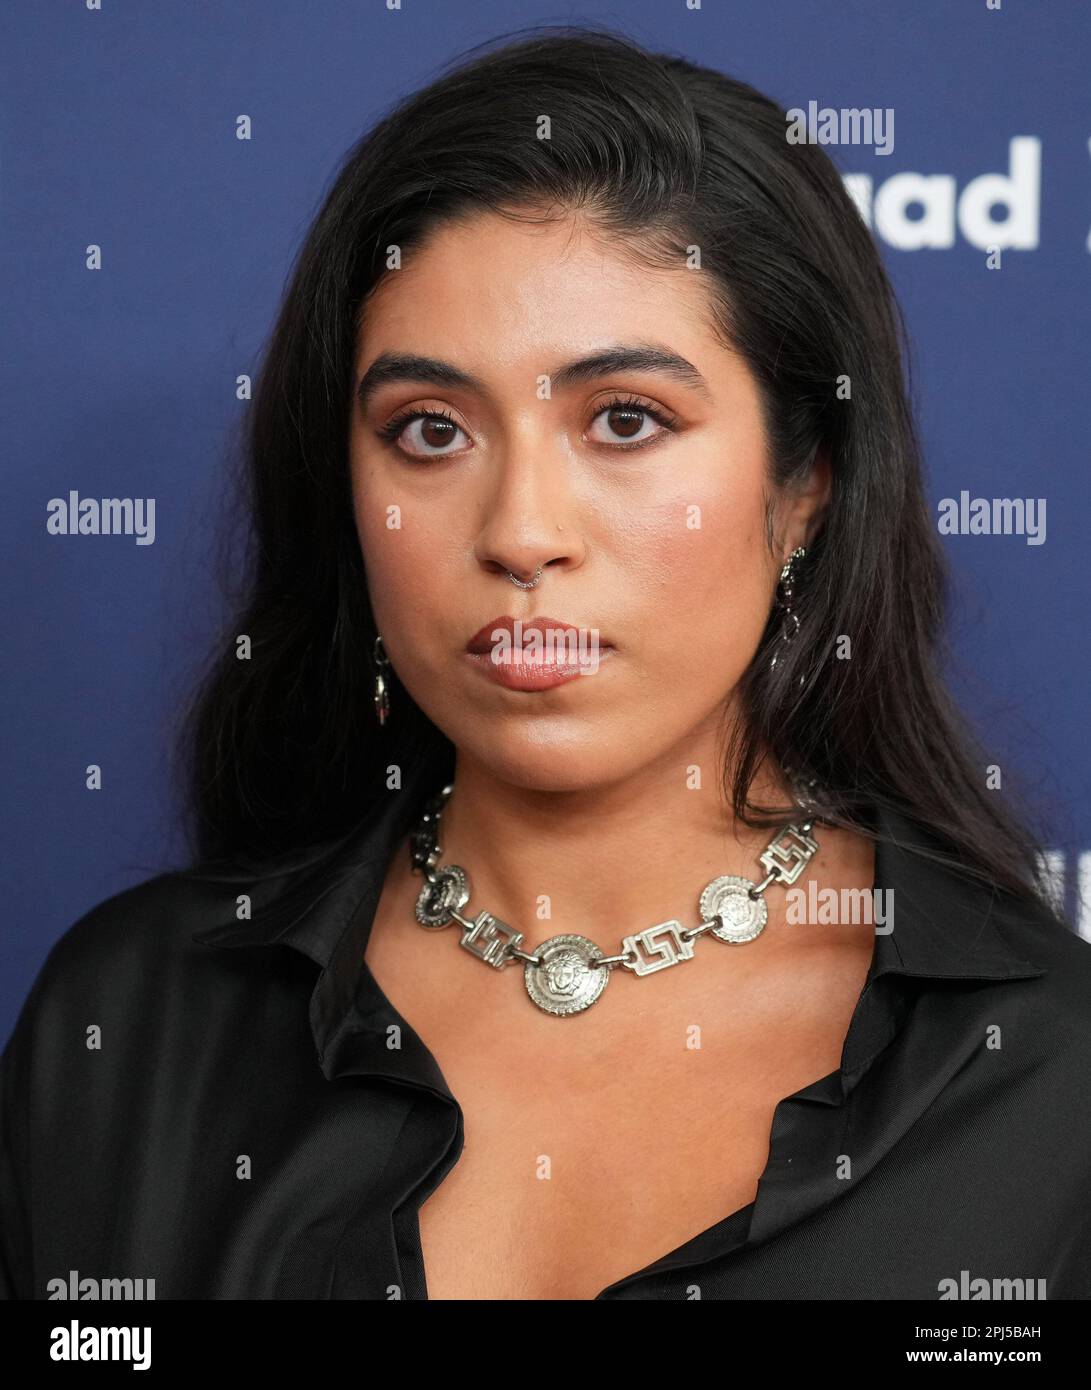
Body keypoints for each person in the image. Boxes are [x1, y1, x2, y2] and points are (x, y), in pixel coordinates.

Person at [2, 25, 1089, 1302]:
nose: (519, 530)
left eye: (624, 421)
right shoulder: (132, 1025)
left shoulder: (1041, 1076)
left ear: (803, 485)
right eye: (428, 429)